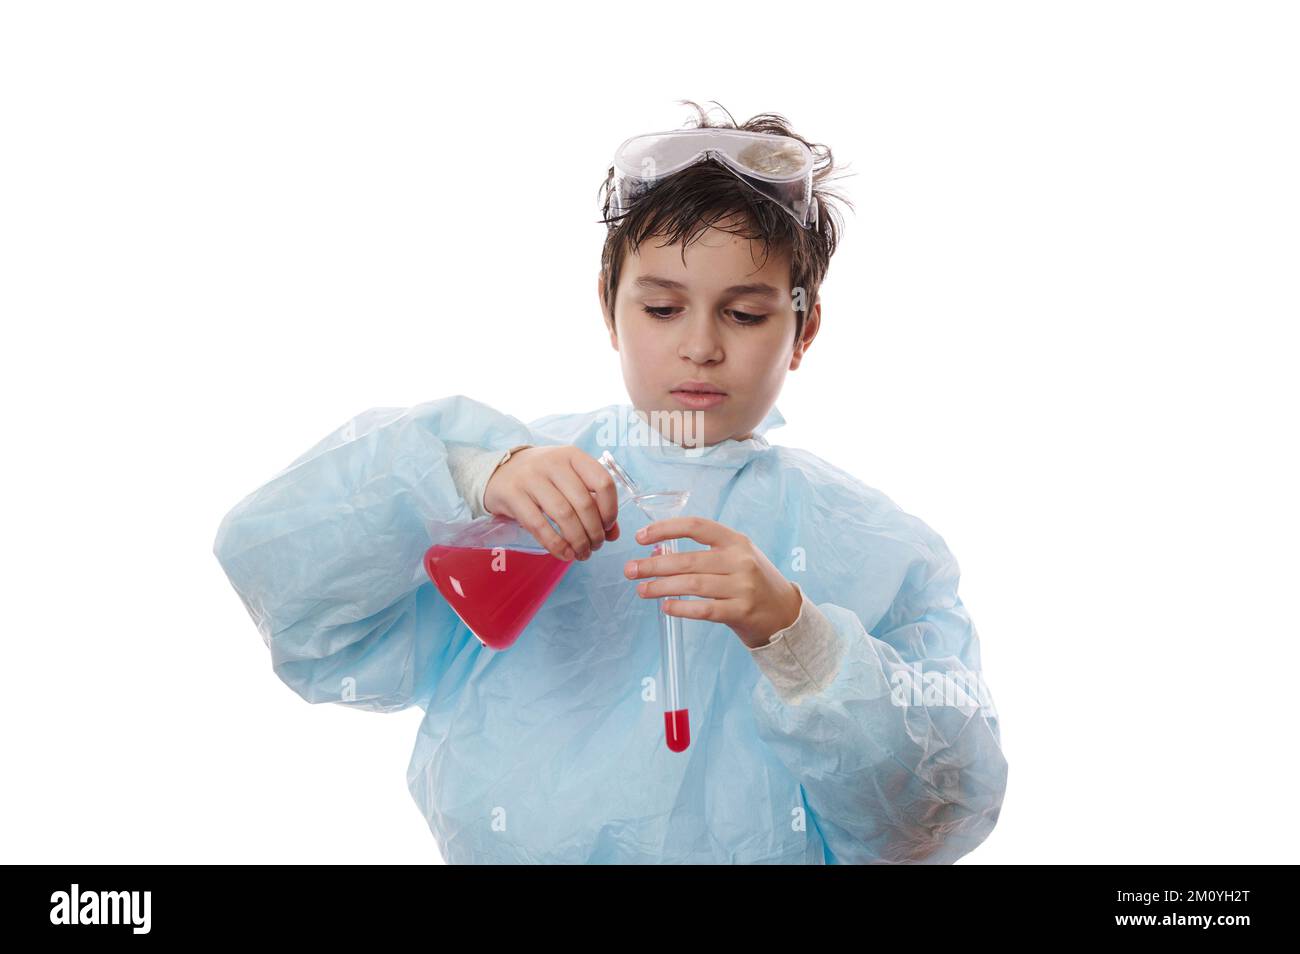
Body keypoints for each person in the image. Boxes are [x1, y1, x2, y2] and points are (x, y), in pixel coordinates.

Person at [212, 101, 1008, 864]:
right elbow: (293, 596)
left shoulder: (883, 552)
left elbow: (932, 819)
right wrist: (467, 477)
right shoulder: (516, 487)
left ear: (804, 328)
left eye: (745, 314)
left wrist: (795, 636)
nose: (700, 347)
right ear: (608, 307)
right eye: (662, 308)